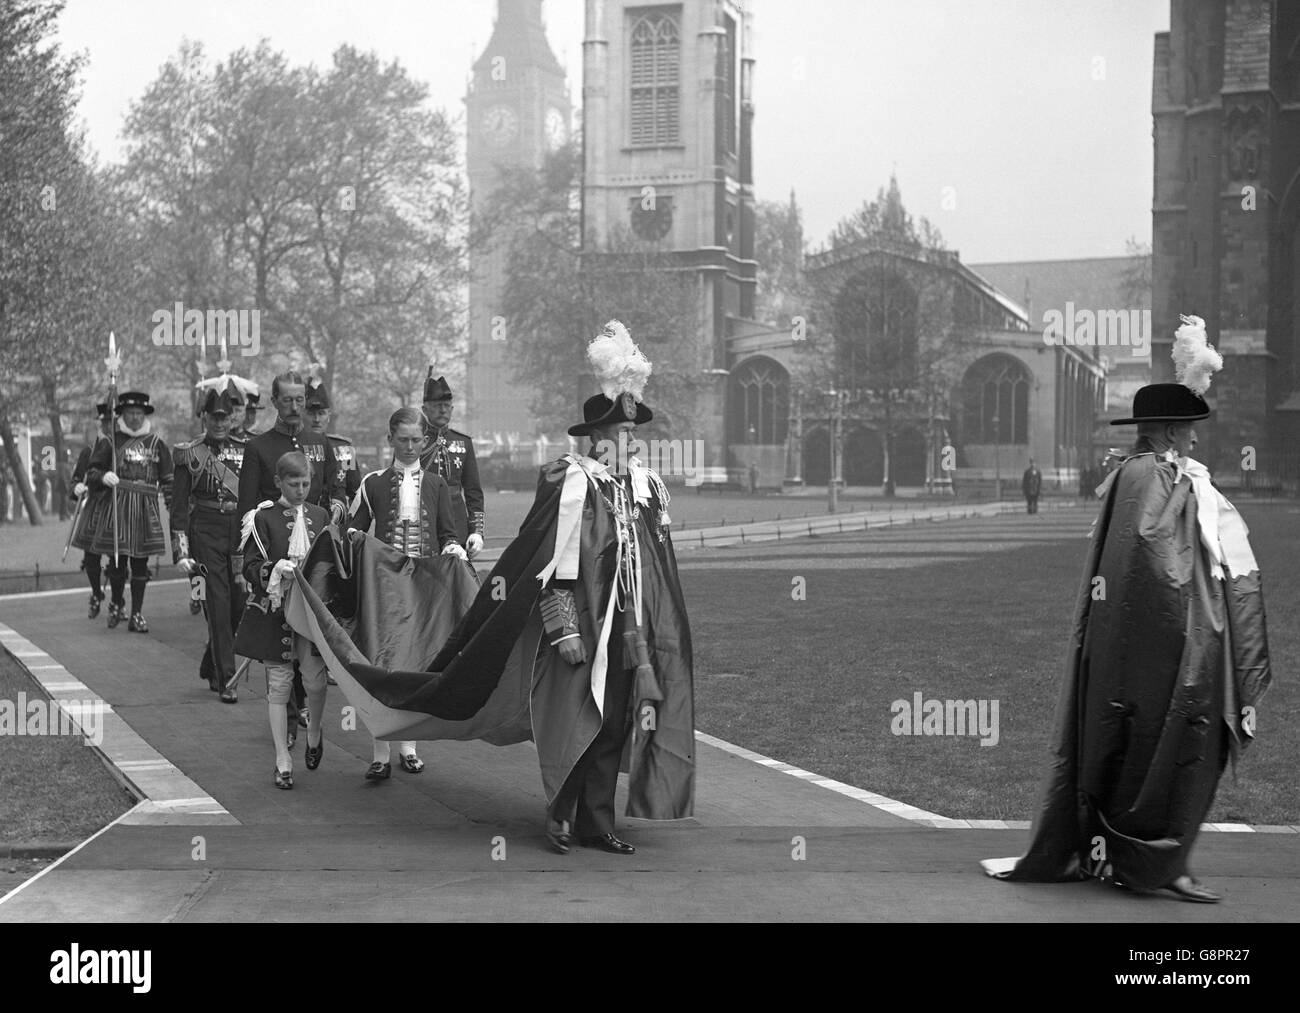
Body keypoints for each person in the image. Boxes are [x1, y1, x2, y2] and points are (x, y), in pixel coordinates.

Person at [285, 322, 696, 856]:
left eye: (633, 431)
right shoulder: (570, 482)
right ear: (598, 437)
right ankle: (561, 814)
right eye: (622, 431)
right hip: (579, 626)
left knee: (614, 721)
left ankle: (597, 821)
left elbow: (654, 566)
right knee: (575, 721)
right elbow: (542, 561)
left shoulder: (644, 488)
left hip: (626, 627)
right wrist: (563, 627)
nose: (631, 440)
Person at [982, 316, 1273, 904]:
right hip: (1168, 652)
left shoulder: (1167, 476)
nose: (1196, 441)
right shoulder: (1147, 477)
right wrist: (1196, 634)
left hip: (1171, 648)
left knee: (1173, 749)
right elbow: (1154, 568)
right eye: (1188, 430)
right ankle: (1154, 861)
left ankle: (1153, 859)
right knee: (1172, 747)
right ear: (1167, 430)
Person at [347, 407, 465, 780]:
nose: (410, 447)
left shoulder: (437, 484)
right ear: (390, 440)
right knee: (382, 663)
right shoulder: (372, 484)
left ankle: (409, 747)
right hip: (384, 586)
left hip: (423, 587)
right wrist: (355, 538)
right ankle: (380, 753)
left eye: (416, 440)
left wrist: (453, 547)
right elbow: (354, 529)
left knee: (417, 662)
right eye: (403, 440)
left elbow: (447, 532)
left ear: (425, 441)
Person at [238, 370, 347, 742]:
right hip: (276, 554)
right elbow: (248, 506)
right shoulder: (258, 447)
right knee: (280, 640)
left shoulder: (320, 441)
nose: (295, 406)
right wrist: (251, 561)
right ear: (275, 401)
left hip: (315, 548)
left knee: (309, 638)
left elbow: (335, 486)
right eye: (287, 400)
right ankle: (286, 717)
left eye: (300, 399)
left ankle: (303, 706)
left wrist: (335, 510)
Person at [235, 452, 333, 790]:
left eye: (306, 483)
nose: (301, 490)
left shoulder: (321, 516)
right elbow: (250, 566)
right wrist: (273, 568)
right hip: (275, 614)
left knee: (315, 682)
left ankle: (314, 731)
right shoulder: (262, 517)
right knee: (279, 685)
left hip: (312, 614)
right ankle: (282, 759)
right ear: (278, 482)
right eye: (294, 484)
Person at [173, 386, 247, 703]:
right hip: (204, 531)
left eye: (224, 418)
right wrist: (181, 550)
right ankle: (227, 678)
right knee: (216, 603)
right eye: (214, 418)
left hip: (238, 532)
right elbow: (179, 507)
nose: (219, 423)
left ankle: (211, 663)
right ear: (204, 418)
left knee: (239, 606)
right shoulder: (189, 453)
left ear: (232, 419)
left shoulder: (247, 450)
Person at [82, 392, 173, 632]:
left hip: (145, 508)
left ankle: (137, 613)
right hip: (118, 506)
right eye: (130, 413)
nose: (135, 418)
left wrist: (174, 508)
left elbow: (168, 479)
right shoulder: (110, 441)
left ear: (145, 415)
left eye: (139, 413)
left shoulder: (156, 443)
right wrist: (103, 476)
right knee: (118, 560)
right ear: (121, 414)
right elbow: (91, 472)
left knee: (141, 563)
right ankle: (115, 602)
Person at [419, 372, 484, 559]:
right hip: (422, 523)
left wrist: (477, 531)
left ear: (452, 408)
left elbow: (473, 491)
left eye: (446, 406)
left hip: (457, 526)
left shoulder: (463, 442)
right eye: (437, 406)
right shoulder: (413, 441)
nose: (443, 410)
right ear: (425, 409)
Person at [70, 402, 113, 616]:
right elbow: (76, 479)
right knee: (91, 557)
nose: (109, 426)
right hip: (95, 506)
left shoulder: (123, 451)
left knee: (118, 557)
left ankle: (118, 600)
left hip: (116, 507)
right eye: (106, 422)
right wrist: (77, 487)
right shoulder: (90, 451)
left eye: (112, 422)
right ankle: (96, 593)